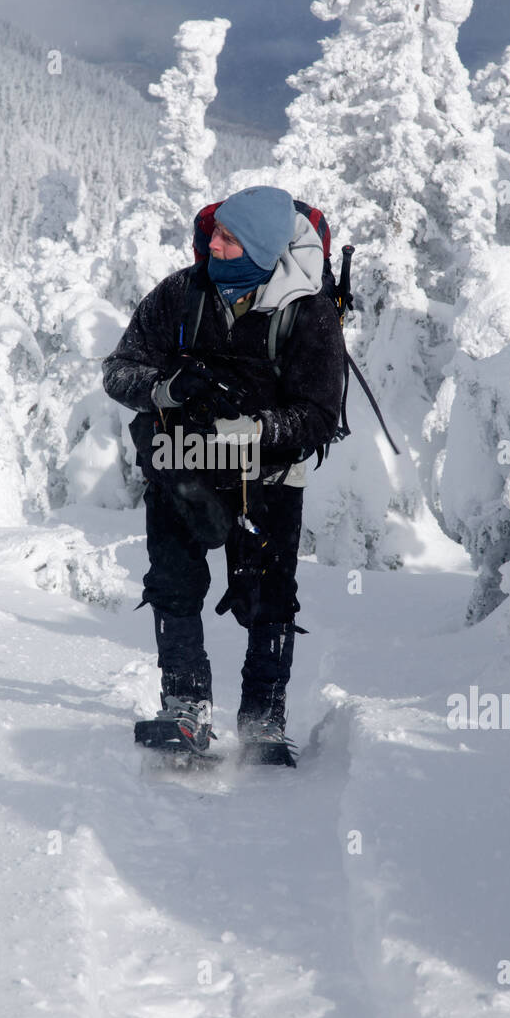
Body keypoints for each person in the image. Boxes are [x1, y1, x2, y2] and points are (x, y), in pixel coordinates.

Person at [102, 185, 346, 765]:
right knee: (173, 583)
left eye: (229, 238)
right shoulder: (181, 295)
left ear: (261, 247)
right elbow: (117, 372)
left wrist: (248, 432)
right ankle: (185, 708)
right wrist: (166, 389)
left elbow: (318, 416)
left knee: (270, 599)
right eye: (214, 232)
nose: (213, 242)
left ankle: (264, 721)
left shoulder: (307, 311)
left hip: (268, 482)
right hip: (180, 467)